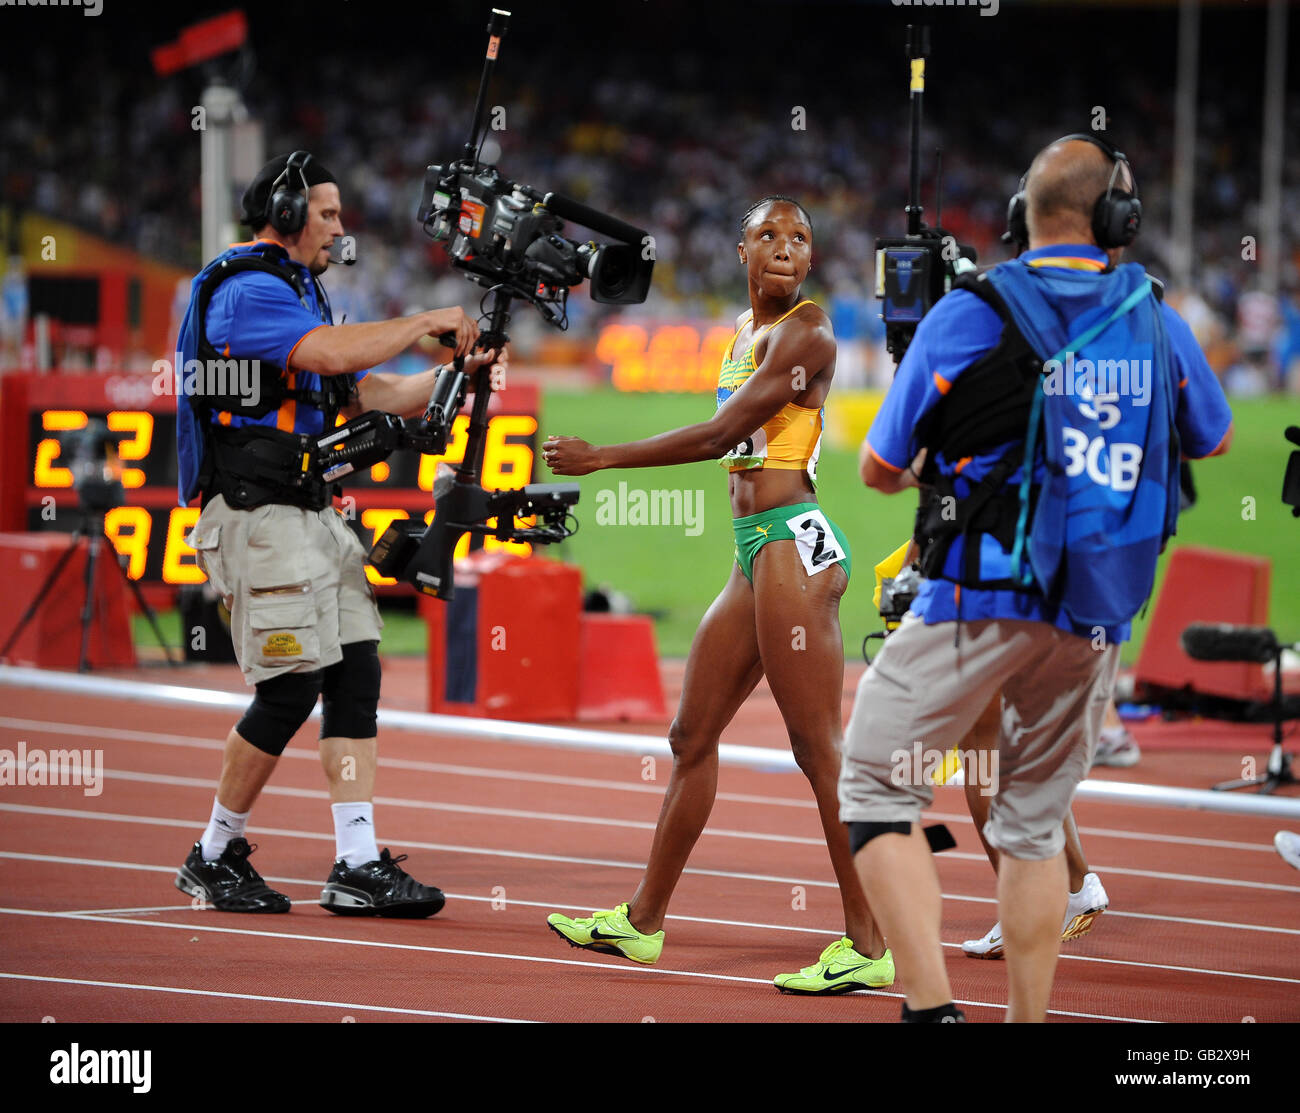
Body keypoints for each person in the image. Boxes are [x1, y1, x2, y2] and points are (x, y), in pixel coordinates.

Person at [839, 135, 1233, 1022]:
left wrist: (950, 456)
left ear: (1023, 216)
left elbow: (876, 466)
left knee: (872, 781)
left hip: (975, 601)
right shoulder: (1155, 311)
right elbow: (1213, 435)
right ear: (1116, 220)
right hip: (1097, 616)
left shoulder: (971, 309)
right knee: (1030, 827)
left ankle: (931, 1007)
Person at [542, 196, 892, 993]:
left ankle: (870, 940)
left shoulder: (809, 333)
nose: (785, 247)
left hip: (792, 549)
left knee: (817, 750)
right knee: (689, 734)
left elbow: (716, 436)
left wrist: (602, 459)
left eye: (800, 237)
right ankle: (641, 921)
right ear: (740, 248)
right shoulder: (742, 330)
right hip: (752, 553)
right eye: (769, 234)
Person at [171, 150, 501, 916]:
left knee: (355, 673)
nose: (339, 227)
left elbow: (366, 389)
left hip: (311, 511)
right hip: (256, 515)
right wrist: (423, 321)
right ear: (284, 215)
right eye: (327, 213)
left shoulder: (300, 293)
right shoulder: (246, 289)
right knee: (290, 686)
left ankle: (355, 861)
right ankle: (212, 853)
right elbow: (324, 354)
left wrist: (462, 373)